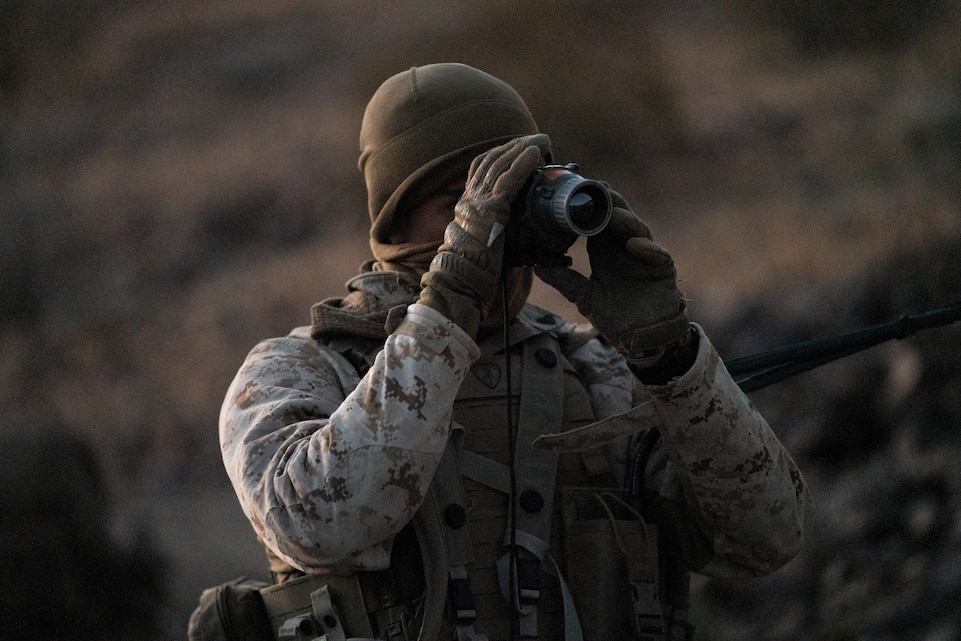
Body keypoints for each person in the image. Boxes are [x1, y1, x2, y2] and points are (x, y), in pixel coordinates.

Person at [219, 63, 811, 641]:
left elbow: (764, 539)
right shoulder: (296, 371)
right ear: (396, 221)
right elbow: (318, 525)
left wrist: (672, 360)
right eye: (464, 200)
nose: (492, 220)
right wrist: (446, 310)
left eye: (513, 196)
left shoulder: (595, 372)